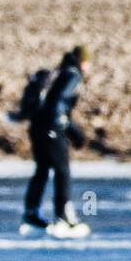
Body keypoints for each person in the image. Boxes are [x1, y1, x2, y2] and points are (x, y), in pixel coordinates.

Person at [20, 45, 91, 237]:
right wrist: (66, 127)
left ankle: (31, 212)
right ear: (81, 61)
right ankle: (63, 216)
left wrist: (71, 130)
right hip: (51, 128)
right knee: (62, 170)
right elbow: (58, 103)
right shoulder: (72, 74)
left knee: (42, 169)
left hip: (37, 127)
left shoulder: (57, 72)